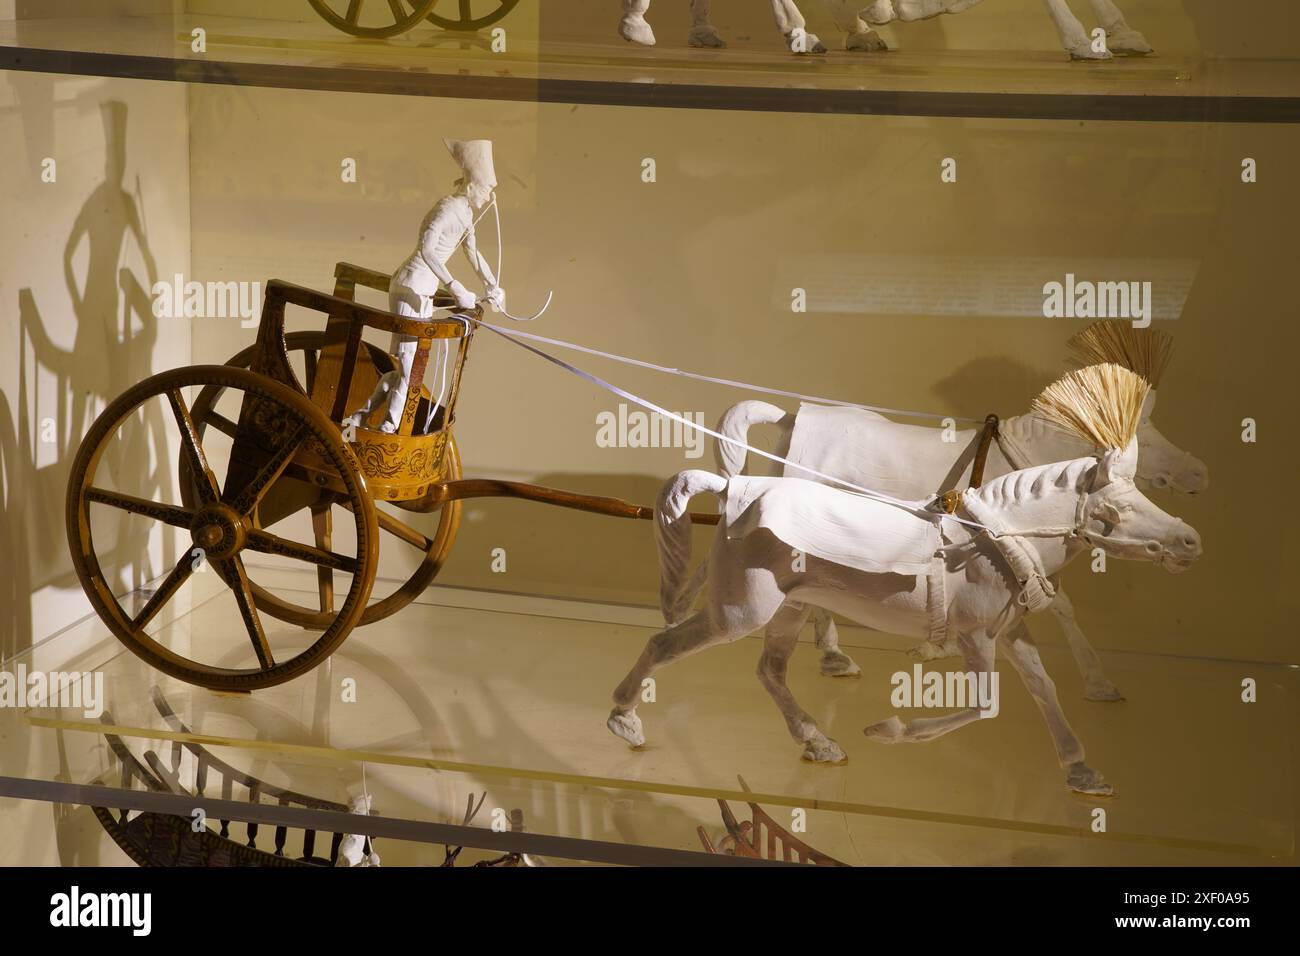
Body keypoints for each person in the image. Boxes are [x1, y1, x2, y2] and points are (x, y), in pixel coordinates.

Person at [345, 139, 505, 434]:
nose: (487, 199)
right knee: (409, 369)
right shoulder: (446, 210)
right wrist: (455, 286)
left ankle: (359, 419)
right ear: (470, 186)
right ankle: (387, 430)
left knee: (406, 370)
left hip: (424, 289)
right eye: (485, 192)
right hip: (411, 285)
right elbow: (427, 250)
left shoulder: (467, 214)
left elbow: (472, 252)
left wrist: (492, 284)